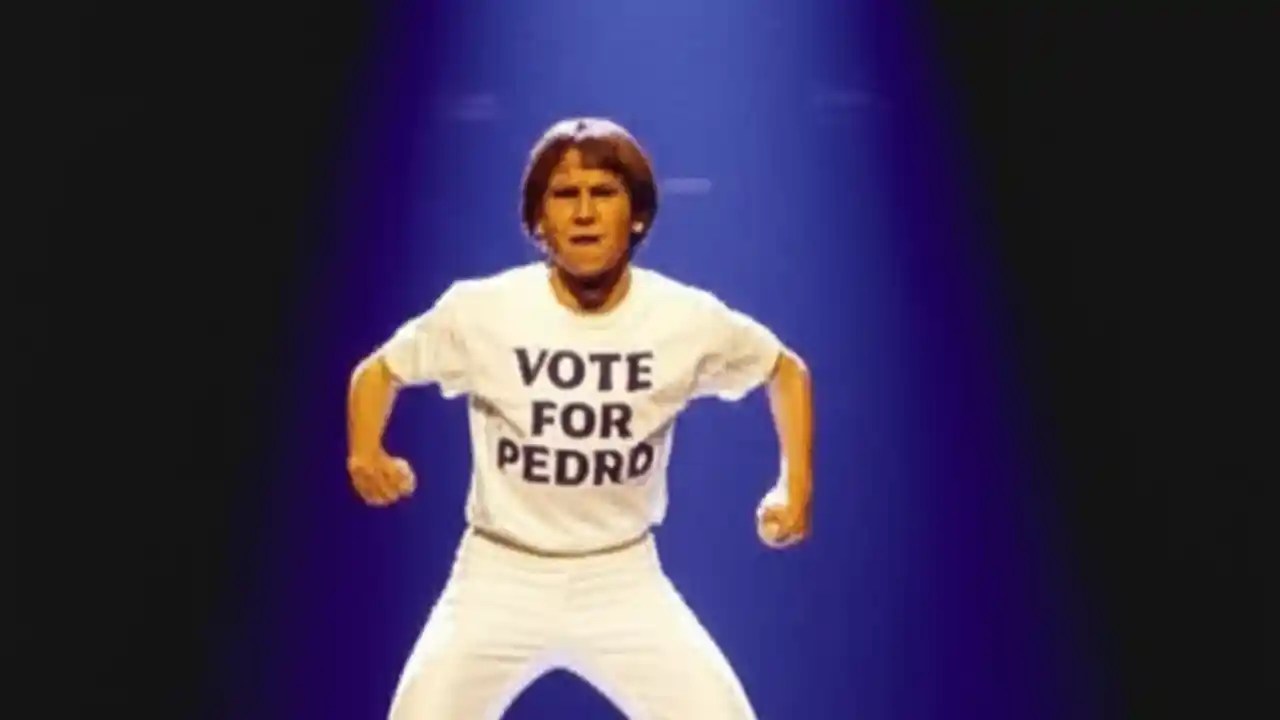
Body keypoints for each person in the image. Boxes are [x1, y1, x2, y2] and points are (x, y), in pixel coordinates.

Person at [346, 117, 813, 719]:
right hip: (498, 574)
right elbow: (380, 371)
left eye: (604, 193)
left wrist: (793, 482)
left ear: (637, 214)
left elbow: (784, 370)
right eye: (566, 195)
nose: (585, 212)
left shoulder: (683, 318)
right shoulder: (483, 310)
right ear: (541, 222)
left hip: (622, 578)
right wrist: (366, 450)